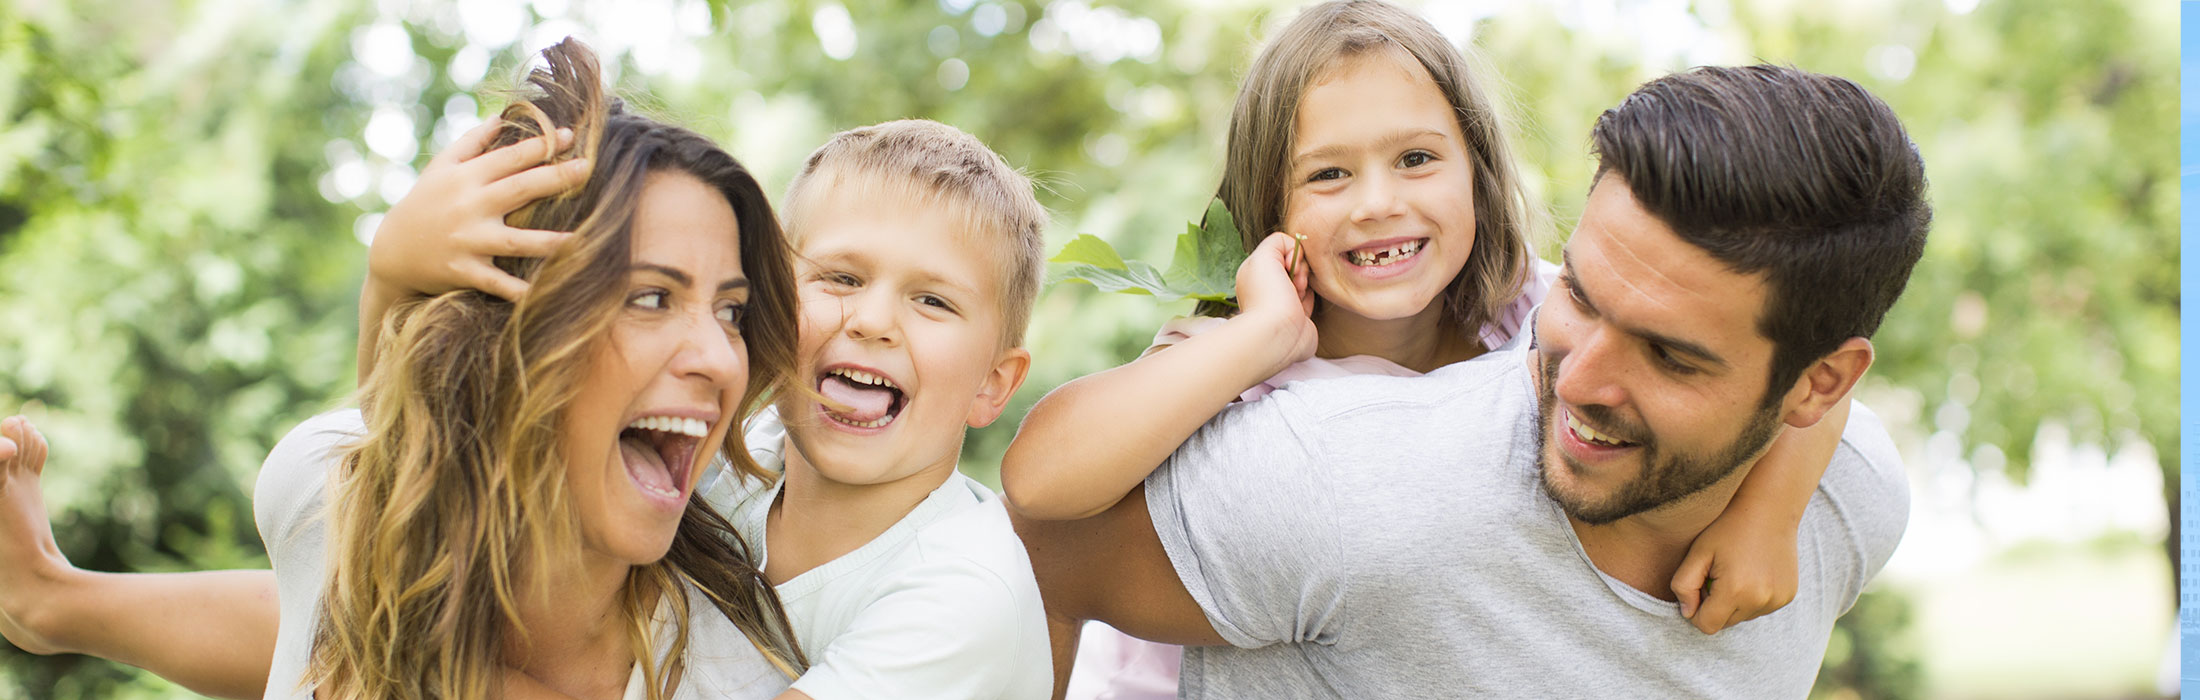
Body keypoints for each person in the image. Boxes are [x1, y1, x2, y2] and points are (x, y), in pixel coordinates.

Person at [1003, 1, 1849, 696]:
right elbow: (1039, 484)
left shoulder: (1541, 311)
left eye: (1415, 159)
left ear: (1477, 170)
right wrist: (1259, 337)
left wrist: (1768, 517)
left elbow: (1801, 363)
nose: (1377, 203)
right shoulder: (1232, 360)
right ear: (1270, 201)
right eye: (1328, 175)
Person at [0, 39, 808, 699]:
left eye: (732, 312)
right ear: (509, 338)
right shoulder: (324, 499)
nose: (717, 357)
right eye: (650, 298)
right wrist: (393, 267)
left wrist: (392, 276)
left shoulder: (736, 672)